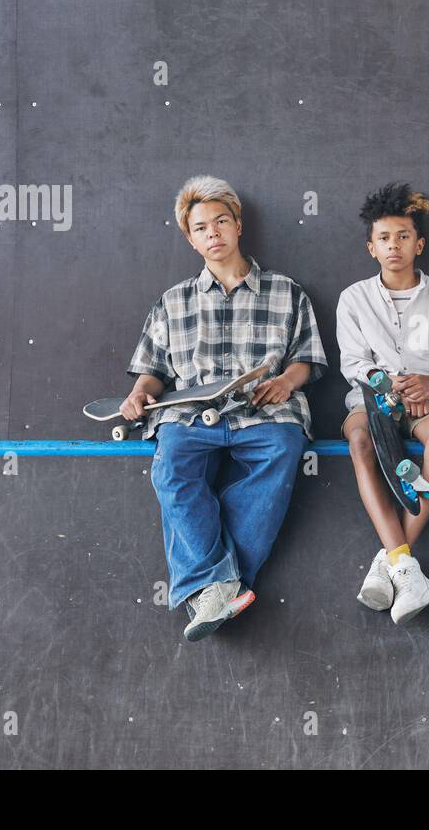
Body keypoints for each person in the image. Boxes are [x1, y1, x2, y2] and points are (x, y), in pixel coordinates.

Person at [122, 175, 327, 642]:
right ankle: (223, 584)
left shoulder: (286, 291)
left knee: (281, 452)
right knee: (171, 465)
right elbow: (151, 369)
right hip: (191, 416)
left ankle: (211, 585)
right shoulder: (173, 302)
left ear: (237, 226)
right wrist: (139, 393)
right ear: (190, 239)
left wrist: (284, 381)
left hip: (265, 412)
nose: (212, 232)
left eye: (220, 222)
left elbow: (309, 360)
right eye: (200, 228)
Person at [337, 182, 429, 624]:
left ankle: (393, 561)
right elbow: (354, 365)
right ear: (370, 247)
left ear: (419, 243)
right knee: (360, 441)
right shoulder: (353, 299)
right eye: (384, 238)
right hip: (374, 399)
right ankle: (406, 565)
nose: (393, 245)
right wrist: (392, 390)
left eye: (403, 236)